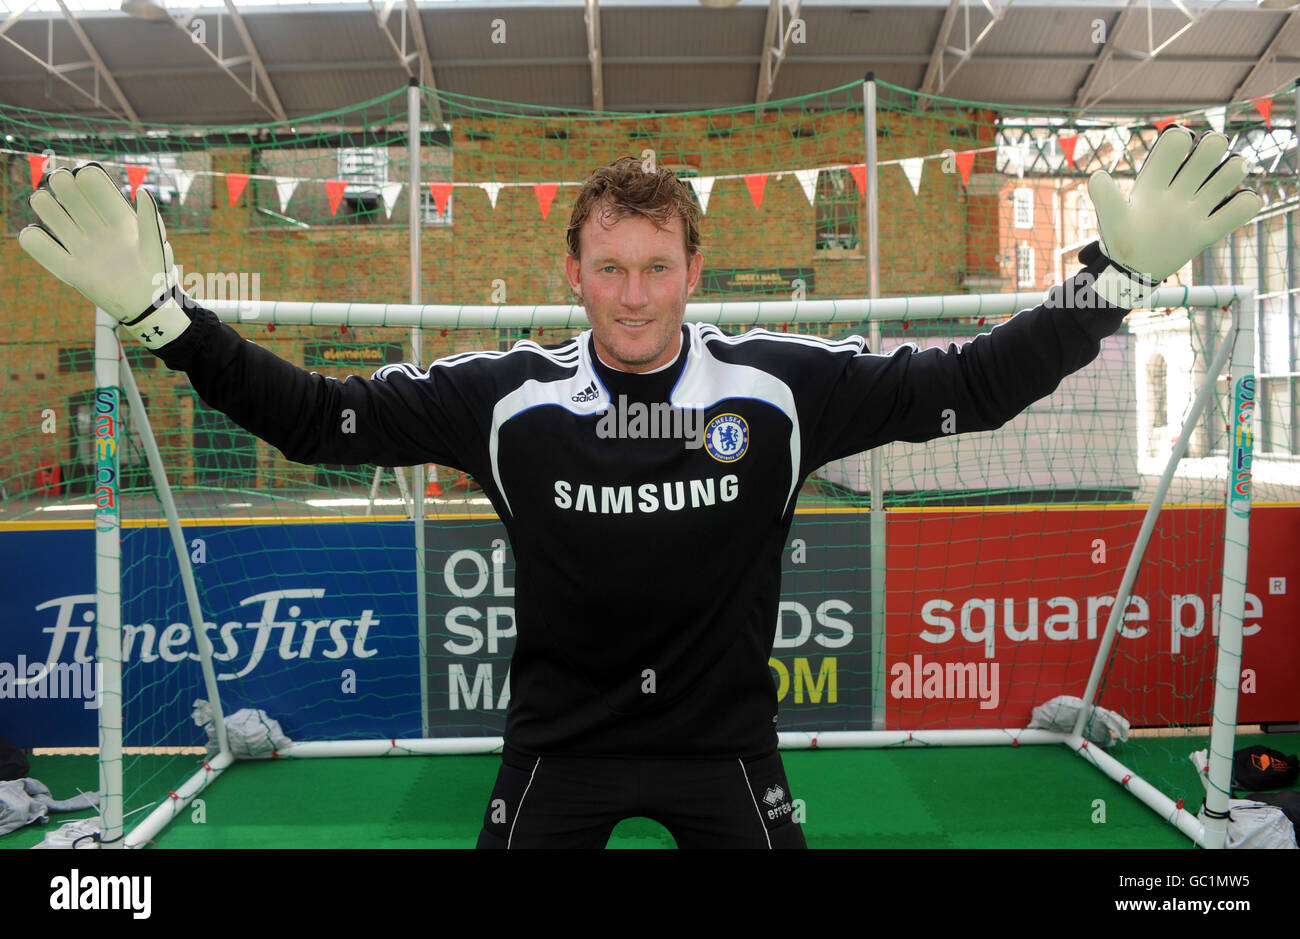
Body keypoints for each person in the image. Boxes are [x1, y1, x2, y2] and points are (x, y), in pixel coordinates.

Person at [19, 126, 1260, 848]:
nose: (632, 294)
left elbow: (975, 384)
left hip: (723, 745)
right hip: (560, 747)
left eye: (655, 266)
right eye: (609, 267)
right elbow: (312, 419)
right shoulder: (503, 397)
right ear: (573, 269)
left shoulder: (781, 387)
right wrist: (160, 318)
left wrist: (1110, 284)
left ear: (690, 267)